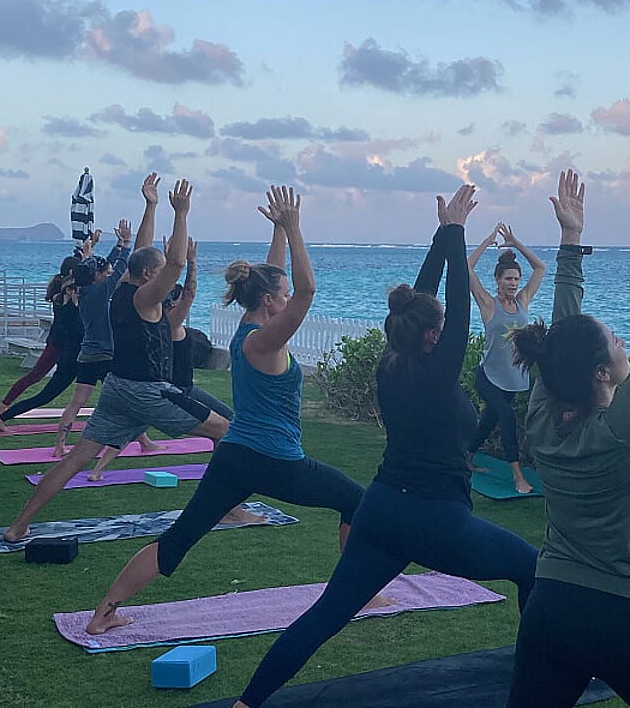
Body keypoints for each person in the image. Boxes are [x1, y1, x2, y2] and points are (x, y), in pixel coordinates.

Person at [232, 184, 538, 708]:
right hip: (436, 519)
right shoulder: (438, 373)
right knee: (532, 567)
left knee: (326, 614)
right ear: (431, 337)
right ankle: (540, 685)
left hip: (382, 511)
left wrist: (444, 234)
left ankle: (246, 704)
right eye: (439, 327)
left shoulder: (391, 363)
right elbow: (456, 305)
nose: (445, 327)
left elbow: (424, 296)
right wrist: (456, 230)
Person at [84, 185, 366, 634]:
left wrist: (277, 229)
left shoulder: (249, 329)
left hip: (235, 455)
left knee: (179, 539)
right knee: (357, 501)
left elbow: (275, 280)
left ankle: (104, 613)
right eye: (284, 293)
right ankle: (355, 594)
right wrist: (294, 229)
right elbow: (308, 290)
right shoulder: (265, 341)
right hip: (275, 460)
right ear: (273, 301)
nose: (290, 297)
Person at [503, 169, 630, 708]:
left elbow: (566, 333)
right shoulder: (623, 431)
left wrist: (571, 241)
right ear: (600, 372)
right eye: (615, 340)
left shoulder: (544, 416)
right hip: (622, 615)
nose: (624, 341)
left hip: (550, 608)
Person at [2, 179, 254, 543]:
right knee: (230, 432)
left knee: (76, 459)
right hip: (147, 391)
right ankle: (224, 509)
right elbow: (176, 262)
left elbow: (142, 249)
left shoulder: (122, 286)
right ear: (151, 274)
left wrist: (151, 207)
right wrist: (181, 213)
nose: (169, 269)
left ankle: (18, 525)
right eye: (162, 267)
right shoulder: (146, 298)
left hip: (117, 388)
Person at [85, 235, 231, 481]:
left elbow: (150, 271)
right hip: (171, 390)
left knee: (128, 432)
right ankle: (220, 483)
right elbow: (190, 293)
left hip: (159, 388)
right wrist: (188, 261)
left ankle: (98, 470)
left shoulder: (151, 313)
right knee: (228, 427)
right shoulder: (169, 324)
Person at [50, 174, 163, 458]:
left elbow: (107, 266)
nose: (109, 273)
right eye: (105, 272)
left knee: (76, 403)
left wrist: (113, 247)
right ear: (99, 277)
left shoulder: (86, 290)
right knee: (127, 403)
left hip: (87, 355)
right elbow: (125, 266)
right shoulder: (101, 291)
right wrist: (125, 245)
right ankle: (144, 441)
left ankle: (59, 446)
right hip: (107, 355)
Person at [465, 222, 545, 493]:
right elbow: (467, 268)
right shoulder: (489, 304)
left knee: (489, 420)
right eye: (508, 279)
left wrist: (516, 242)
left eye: (516, 279)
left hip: (513, 379)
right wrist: (488, 241)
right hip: (487, 376)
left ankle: (467, 457)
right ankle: (517, 476)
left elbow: (540, 268)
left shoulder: (523, 301)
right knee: (507, 418)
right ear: (498, 280)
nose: (513, 284)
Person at [0, 243, 87, 424]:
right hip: (58, 346)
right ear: (72, 274)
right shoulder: (64, 292)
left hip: (65, 346)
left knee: (40, 382)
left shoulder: (67, 288)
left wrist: (86, 252)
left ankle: (2, 412)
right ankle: (3, 408)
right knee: (35, 377)